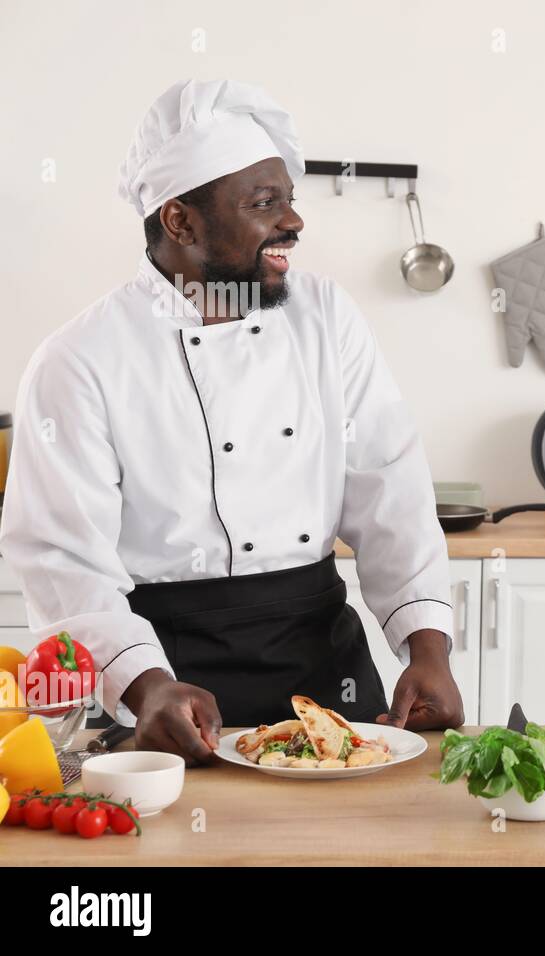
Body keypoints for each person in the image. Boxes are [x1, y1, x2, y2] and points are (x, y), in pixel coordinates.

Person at [0, 79, 463, 763]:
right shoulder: (80, 360)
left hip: (322, 663)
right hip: (166, 686)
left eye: (289, 200)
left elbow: (389, 486)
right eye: (263, 203)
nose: (293, 222)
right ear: (180, 220)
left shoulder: (327, 318)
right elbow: (63, 558)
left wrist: (428, 646)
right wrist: (144, 684)